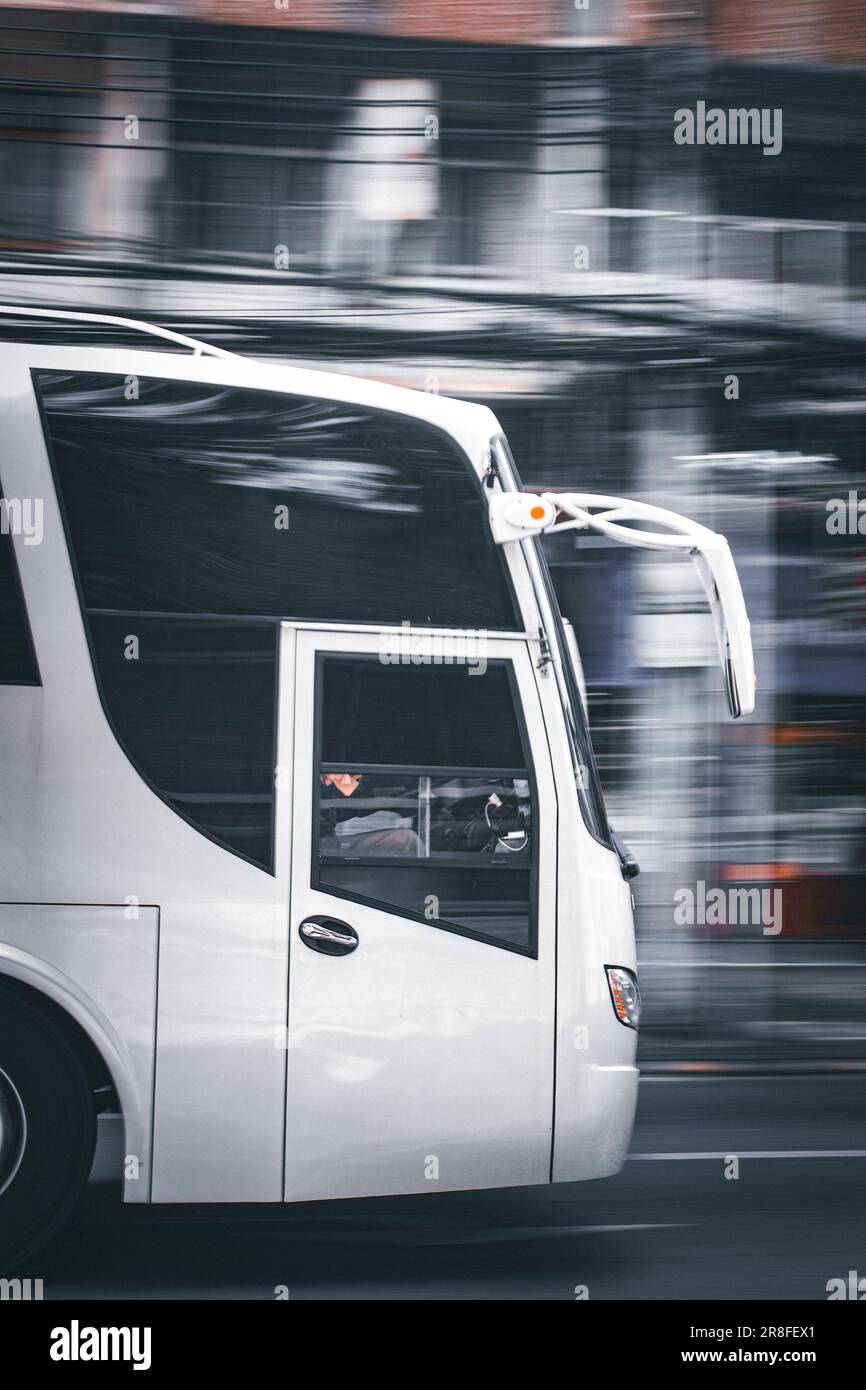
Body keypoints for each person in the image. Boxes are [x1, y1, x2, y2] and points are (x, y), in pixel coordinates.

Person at [320, 772, 421, 856]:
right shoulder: (315, 784)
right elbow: (334, 811)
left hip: (325, 842)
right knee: (407, 838)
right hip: (318, 846)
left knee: (406, 837)